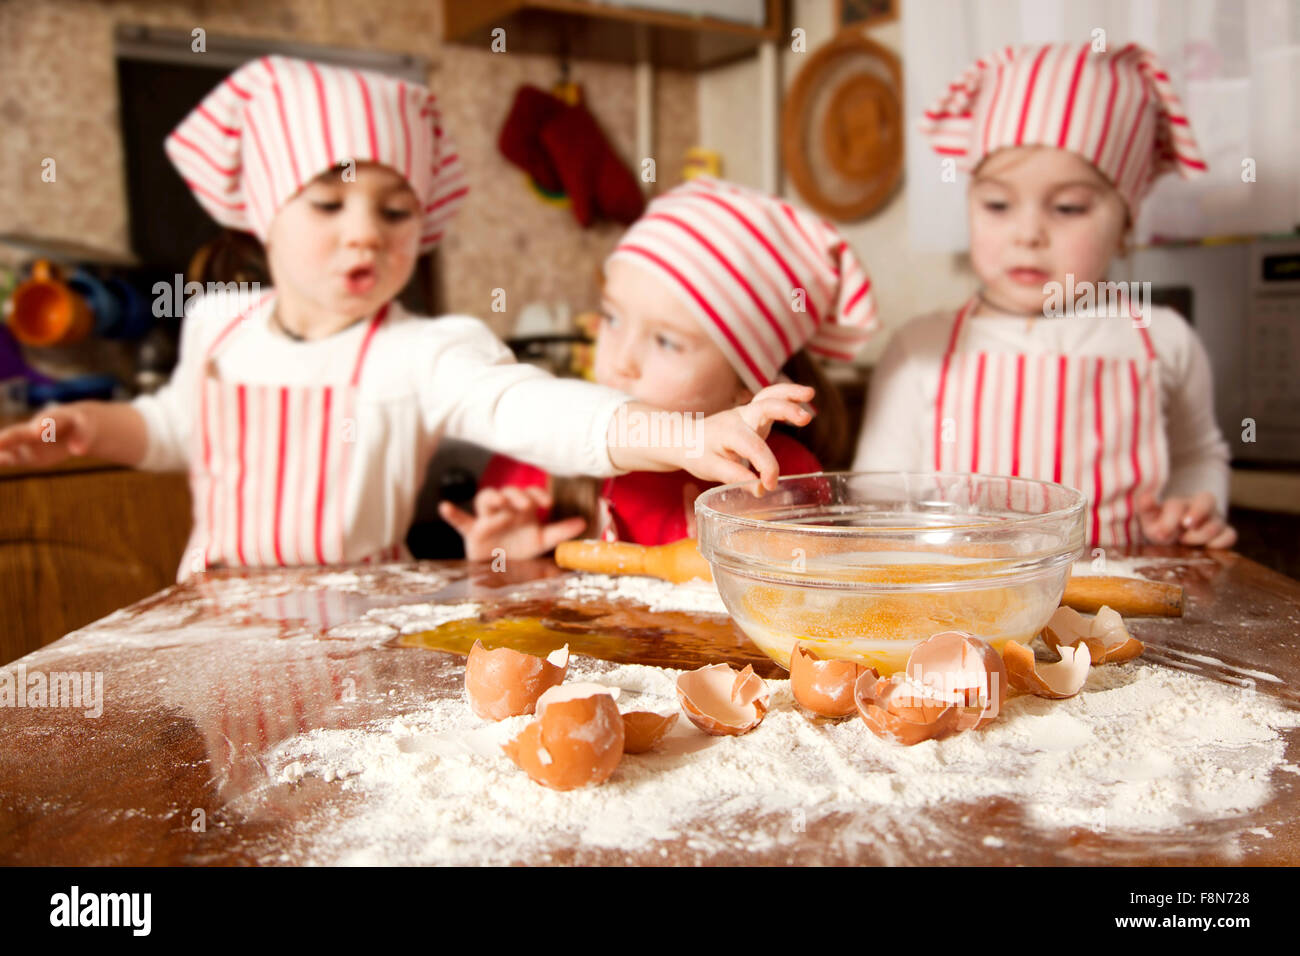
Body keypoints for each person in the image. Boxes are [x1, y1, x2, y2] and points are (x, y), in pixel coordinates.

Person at [0, 57, 813, 579]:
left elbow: (538, 409)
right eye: (328, 203)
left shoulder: (423, 351)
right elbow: (174, 428)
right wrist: (91, 428)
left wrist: (687, 437)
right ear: (259, 213)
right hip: (216, 621)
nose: (365, 231)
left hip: (361, 624)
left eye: (395, 212)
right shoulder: (217, 325)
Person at [853, 42, 1235, 549]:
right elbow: (874, 506)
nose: (1027, 234)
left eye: (1069, 208)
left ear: (1126, 223)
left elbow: (1199, 455)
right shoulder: (920, 347)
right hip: (959, 612)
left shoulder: (1162, 338)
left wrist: (1194, 504)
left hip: (1119, 613)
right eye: (997, 204)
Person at [441, 177, 878, 559]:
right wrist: (503, 564)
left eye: (667, 341)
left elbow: (811, 619)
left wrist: (753, 565)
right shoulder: (532, 460)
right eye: (612, 318)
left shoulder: (780, 486)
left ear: (749, 387)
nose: (621, 361)